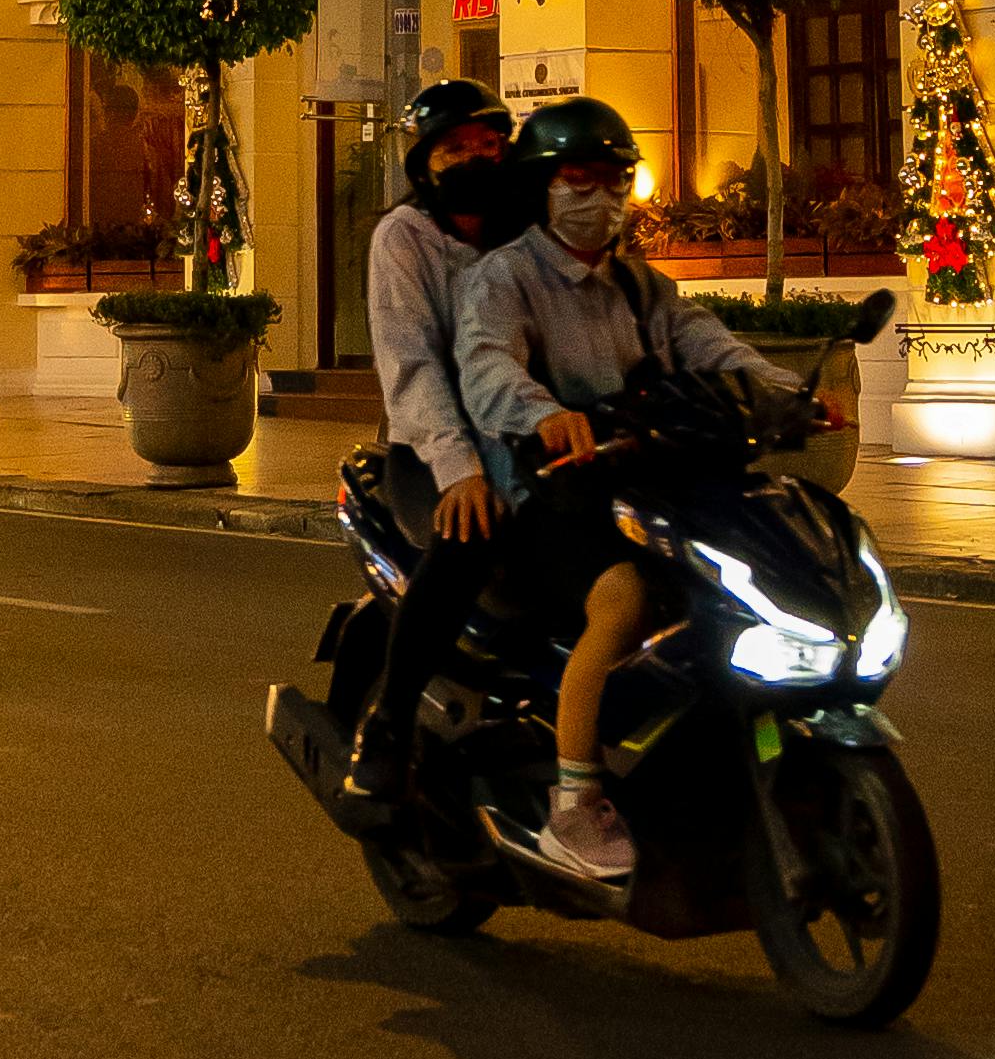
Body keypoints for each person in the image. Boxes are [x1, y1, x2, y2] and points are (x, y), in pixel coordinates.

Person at [457, 100, 824, 886]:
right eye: (578, 180)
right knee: (623, 601)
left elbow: (709, 344)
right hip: (549, 490)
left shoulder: (640, 285)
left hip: (648, 481)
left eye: (613, 180)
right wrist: (545, 414)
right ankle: (574, 805)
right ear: (542, 187)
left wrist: (787, 394)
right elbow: (487, 367)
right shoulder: (505, 277)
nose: (600, 199)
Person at [345, 84, 547, 823]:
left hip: (528, 440)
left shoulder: (531, 235)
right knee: (470, 538)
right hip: (428, 454)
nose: (473, 156)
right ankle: (389, 727)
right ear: (426, 161)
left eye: (487, 143)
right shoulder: (403, 238)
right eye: (454, 145)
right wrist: (459, 469)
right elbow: (413, 365)